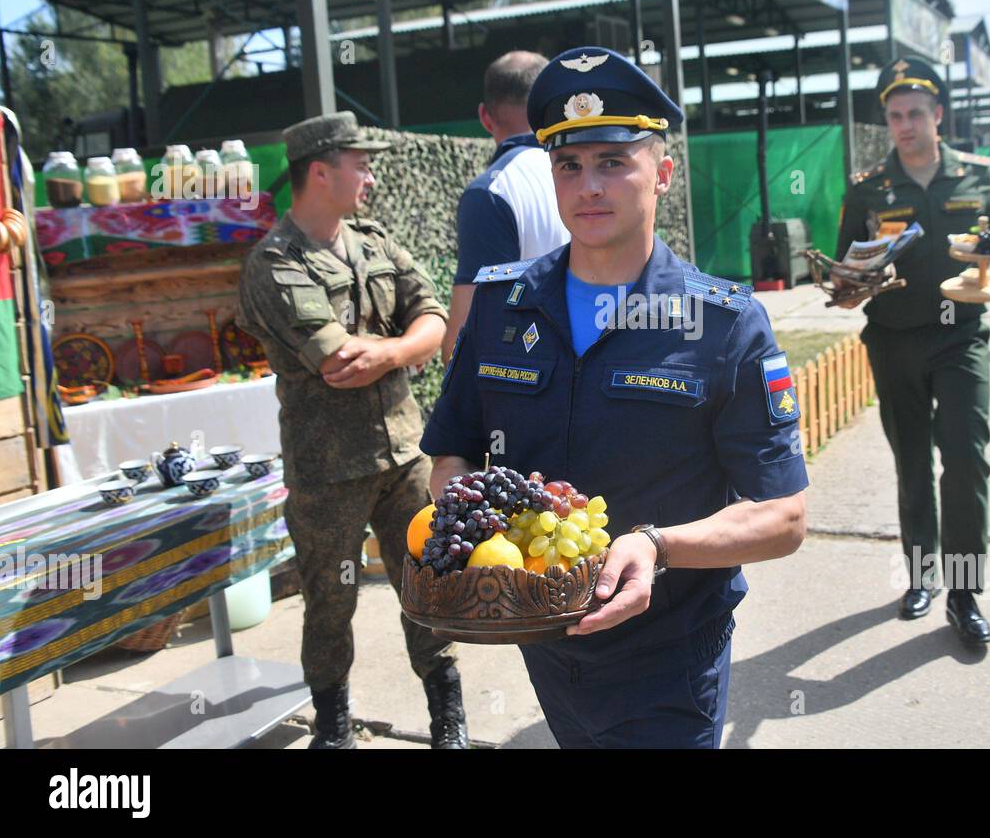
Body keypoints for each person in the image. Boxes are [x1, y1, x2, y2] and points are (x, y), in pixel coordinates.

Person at [420, 46, 808, 748]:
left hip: (668, 657)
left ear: (661, 173)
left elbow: (783, 516)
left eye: (612, 162)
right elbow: (451, 449)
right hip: (540, 641)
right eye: (569, 165)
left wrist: (657, 546)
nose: (587, 186)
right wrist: (468, 512)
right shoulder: (503, 306)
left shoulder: (722, 323)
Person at [236, 111, 466, 749]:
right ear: (319, 171)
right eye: (358, 163)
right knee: (331, 603)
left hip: (403, 453)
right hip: (327, 470)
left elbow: (434, 317)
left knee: (428, 584)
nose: (368, 174)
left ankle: (449, 719)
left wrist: (394, 351)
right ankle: (333, 728)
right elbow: (337, 362)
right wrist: (407, 347)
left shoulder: (373, 239)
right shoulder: (274, 262)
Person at [834, 55, 990, 645]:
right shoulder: (868, 191)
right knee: (911, 462)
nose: (904, 125)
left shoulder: (979, 177)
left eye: (914, 114)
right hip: (894, 341)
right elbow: (844, 270)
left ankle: (963, 593)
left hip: (961, 338)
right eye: (894, 115)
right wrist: (850, 287)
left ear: (938, 115)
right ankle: (921, 575)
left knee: (965, 458)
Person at [442, 51, 570, 362]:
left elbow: (462, 345)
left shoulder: (490, 192)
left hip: (532, 388)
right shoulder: (600, 176)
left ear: (485, 117)